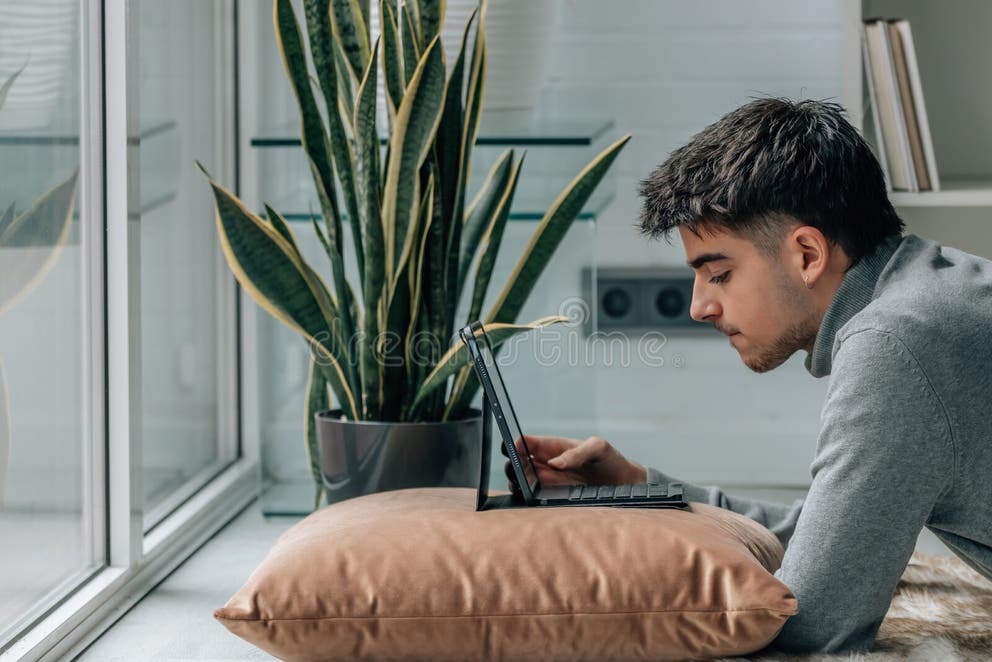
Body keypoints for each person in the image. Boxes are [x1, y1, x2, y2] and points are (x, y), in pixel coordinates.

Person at [503, 97, 992, 654]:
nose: (699, 306)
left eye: (719, 274)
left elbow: (811, 624)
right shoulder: (928, 292)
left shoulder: (894, 344)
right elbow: (826, 538)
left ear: (807, 253)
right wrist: (638, 488)